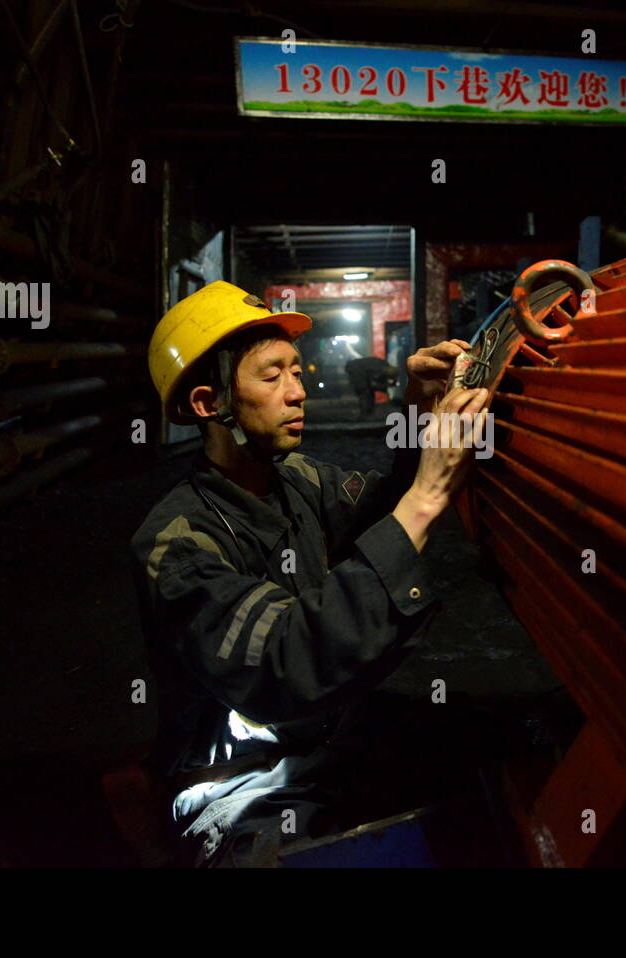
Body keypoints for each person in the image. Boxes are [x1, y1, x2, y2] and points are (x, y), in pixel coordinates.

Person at [129, 281, 485, 866]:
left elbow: (382, 509)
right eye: (271, 377)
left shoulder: (296, 480)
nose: (299, 393)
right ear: (206, 404)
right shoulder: (176, 546)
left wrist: (421, 405)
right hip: (241, 782)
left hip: (325, 738)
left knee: (493, 746)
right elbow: (286, 665)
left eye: (298, 371)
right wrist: (428, 496)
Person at [344, 355, 399, 420]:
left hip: (358, 369)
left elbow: (378, 383)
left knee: (369, 392)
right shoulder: (380, 370)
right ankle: (364, 415)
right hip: (356, 369)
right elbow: (374, 385)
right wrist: (388, 386)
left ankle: (368, 414)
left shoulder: (384, 366)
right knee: (365, 392)